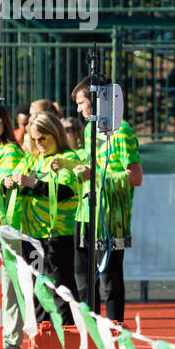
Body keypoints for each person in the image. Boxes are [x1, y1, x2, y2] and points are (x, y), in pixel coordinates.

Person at [70, 78, 143, 325]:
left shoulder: (122, 131)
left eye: (82, 103)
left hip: (110, 218)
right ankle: (89, 331)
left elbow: (135, 177)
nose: (79, 110)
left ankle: (115, 332)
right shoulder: (90, 130)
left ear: (98, 102)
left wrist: (96, 176)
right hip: (85, 212)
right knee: (83, 279)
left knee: (109, 281)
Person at [4, 110, 81, 326]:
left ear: (55, 134)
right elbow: (13, 177)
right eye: (34, 139)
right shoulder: (31, 159)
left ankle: (67, 339)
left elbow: (66, 190)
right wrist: (8, 182)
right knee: (37, 290)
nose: (39, 144)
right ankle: (43, 340)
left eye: (43, 138)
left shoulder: (68, 159)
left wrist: (32, 184)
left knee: (59, 290)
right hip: (31, 236)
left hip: (56, 236)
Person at [0, 103, 26, 349]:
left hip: (6, 224)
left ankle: (12, 338)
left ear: (4, 122)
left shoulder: (10, 151)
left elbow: (6, 186)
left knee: (8, 283)